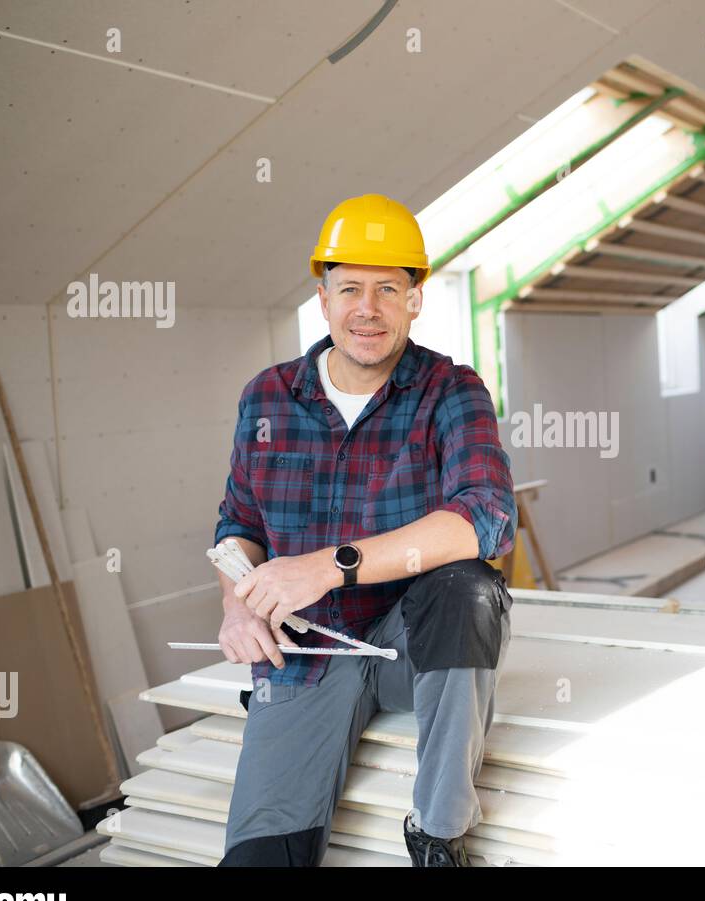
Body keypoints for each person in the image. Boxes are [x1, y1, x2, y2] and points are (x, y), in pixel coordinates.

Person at [211, 193, 517, 866]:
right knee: (260, 857)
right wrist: (237, 603)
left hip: (415, 642)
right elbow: (238, 525)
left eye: (388, 289)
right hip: (308, 653)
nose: (367, 309)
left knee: (468, 588)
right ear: (323, 299)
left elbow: (487, 515)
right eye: (350, 288)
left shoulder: (452, 391)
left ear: (416, 299)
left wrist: (326, 565)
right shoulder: (267, 396)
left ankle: (437, 833)